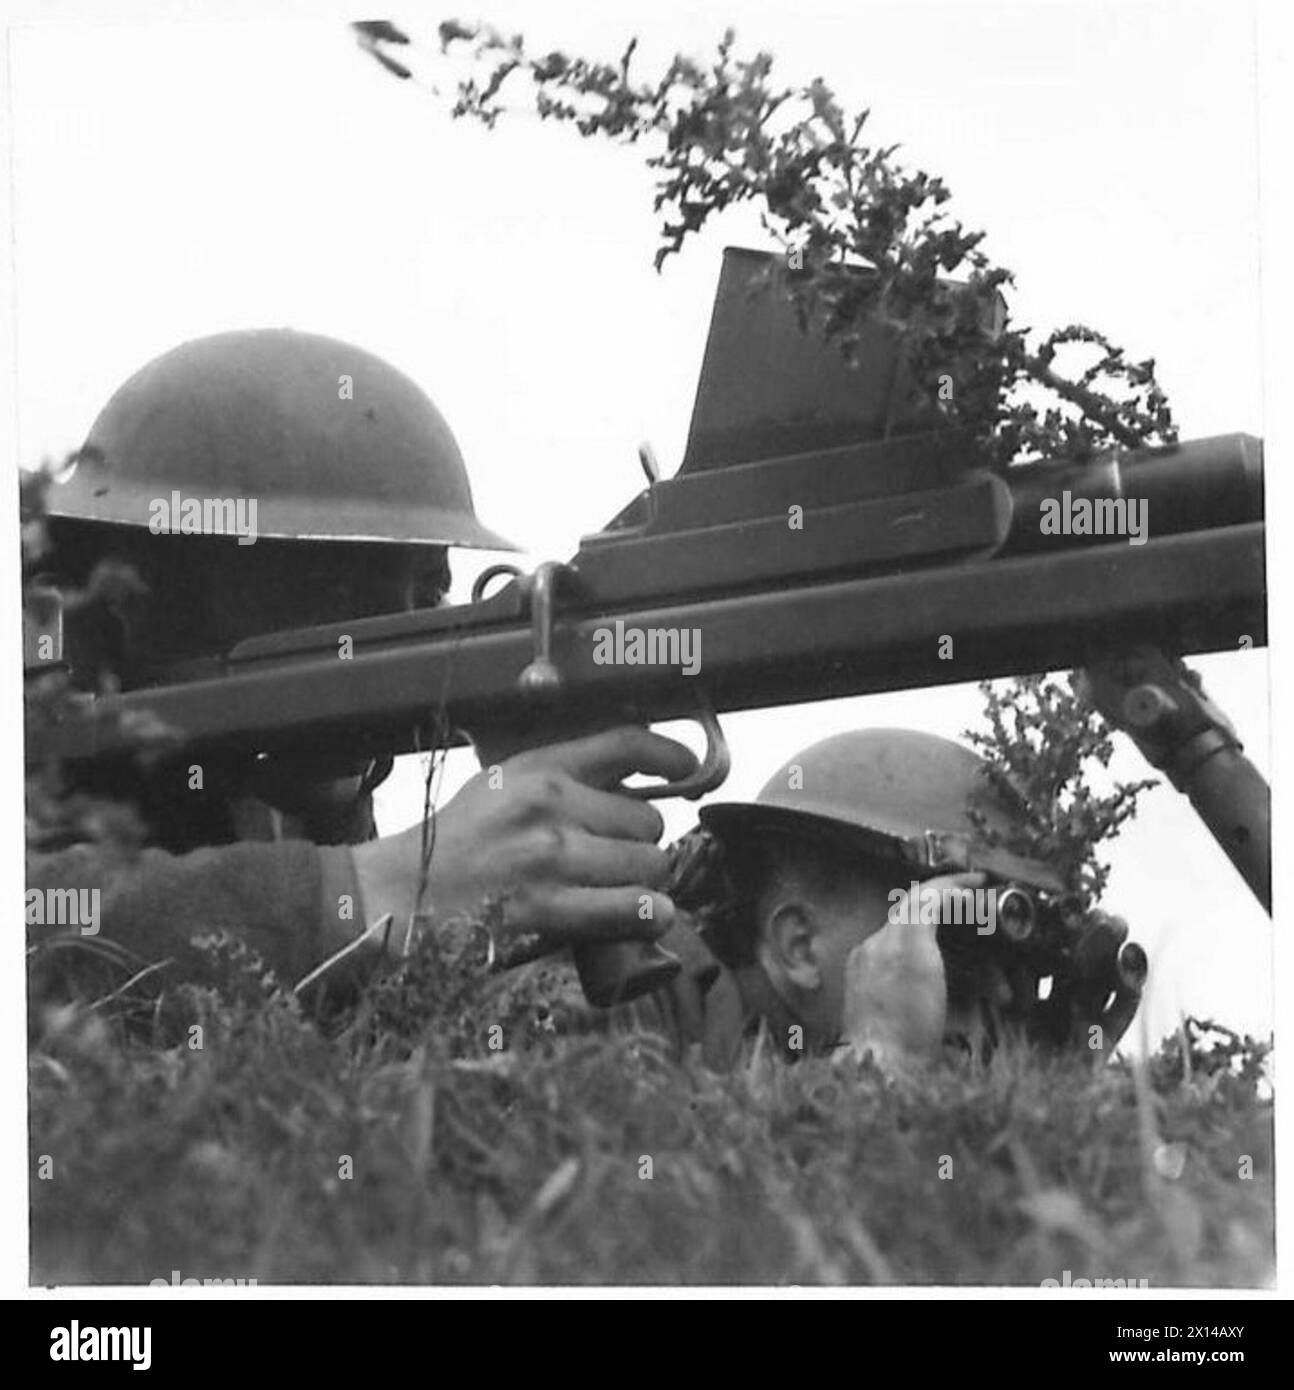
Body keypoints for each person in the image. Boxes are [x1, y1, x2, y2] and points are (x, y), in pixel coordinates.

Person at [26, 328, 695, 1001]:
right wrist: (372, 891)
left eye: (429, 590)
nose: (400, 634)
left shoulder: (256, 791)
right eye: (342, 590)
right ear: (137, 596)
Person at [613, 728, 1145, 1072]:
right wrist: (880, 1060)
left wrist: (1033, 1111)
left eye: (1010, 966)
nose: (999, 997)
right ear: (800, 945)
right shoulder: (627, 987)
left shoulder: (790, 1058)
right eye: (950, 957)